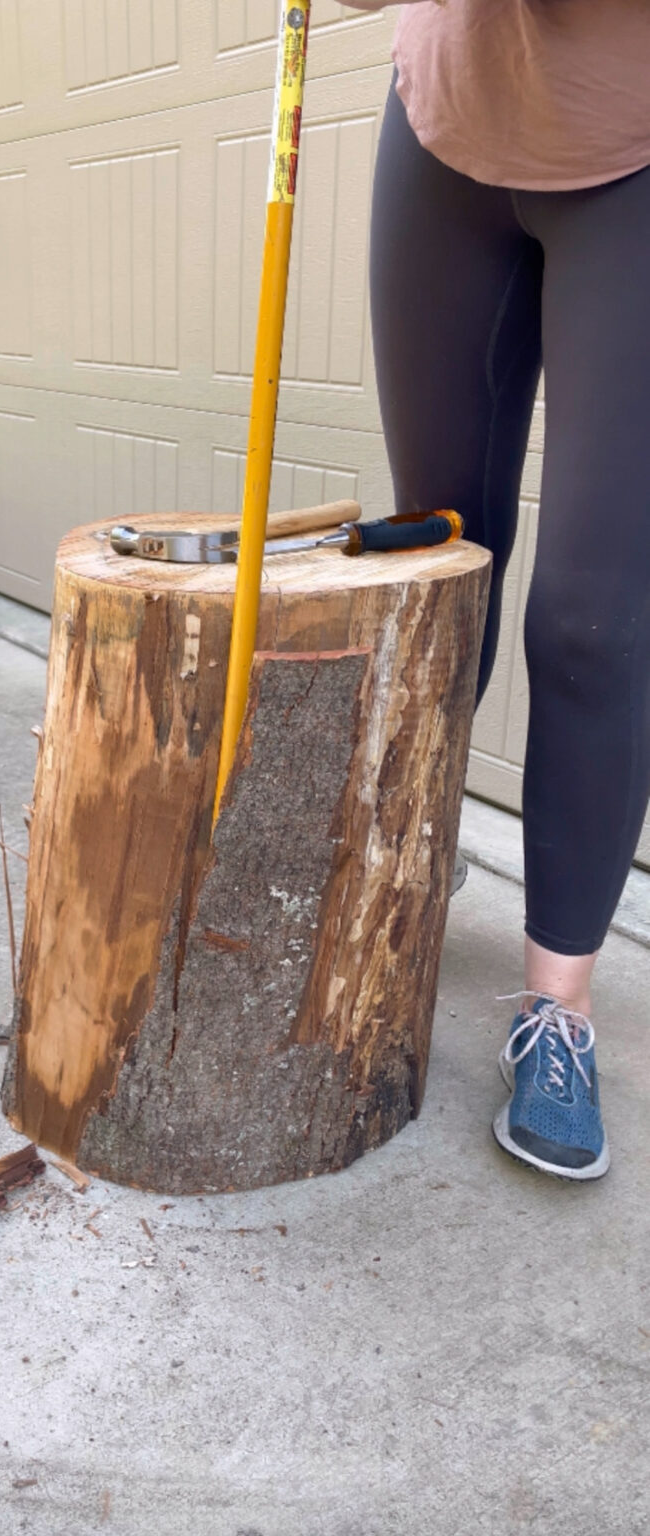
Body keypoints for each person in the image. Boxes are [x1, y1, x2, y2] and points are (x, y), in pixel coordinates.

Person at [341, 0, 650, 1179]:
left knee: (588, 621)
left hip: (630, 147)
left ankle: (556, 1013)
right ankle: (397, 887)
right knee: (439, 575)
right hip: (447, 123)